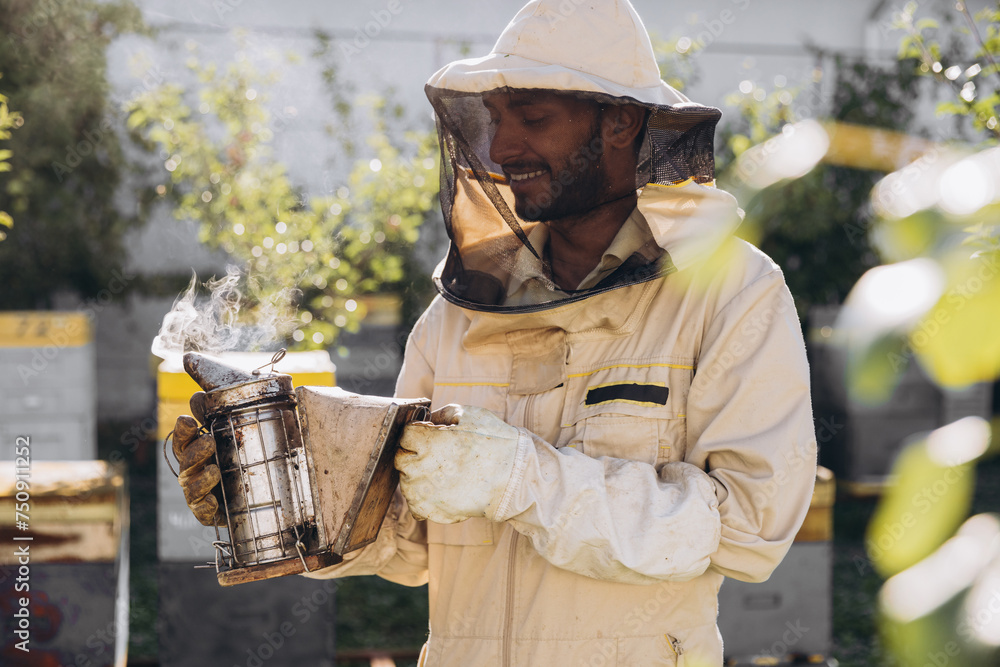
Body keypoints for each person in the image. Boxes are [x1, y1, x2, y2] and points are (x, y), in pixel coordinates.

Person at [172, 1, 818, 664]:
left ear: (620, 121)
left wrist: (521, 478)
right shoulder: (464, 308)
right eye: (496, 119)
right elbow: (409, 533)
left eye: (533, 116)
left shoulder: (730, 292)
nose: (503, 147)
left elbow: (748, 528)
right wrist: (275, 490)